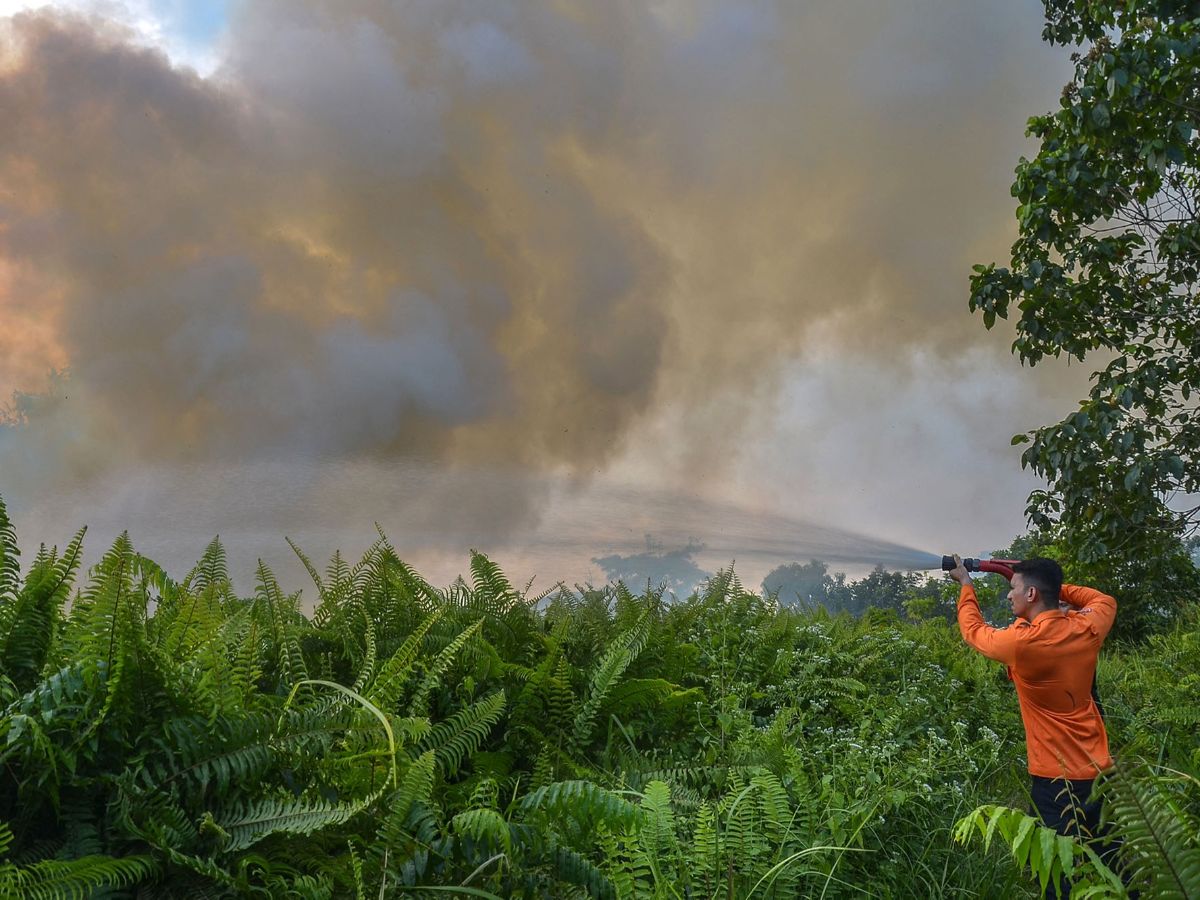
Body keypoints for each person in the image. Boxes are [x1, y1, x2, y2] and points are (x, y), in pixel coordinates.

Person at [947, 554, 1117, 895]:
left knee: (1056, 873)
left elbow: (973, 630)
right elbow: (1104, 600)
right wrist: (1057, 588)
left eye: (1013, 588)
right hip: (1100, 772)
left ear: (1032, 595)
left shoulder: (1021, 644)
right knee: (1115, 864)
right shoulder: (1087, 627)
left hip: (1055, 780)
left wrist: (967, 585)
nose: (1008, 595)